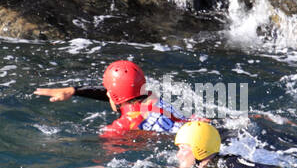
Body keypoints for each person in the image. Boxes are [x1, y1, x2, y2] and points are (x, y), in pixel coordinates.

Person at [35, 59, 186, 138]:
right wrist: (74, 91)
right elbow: (125, 94)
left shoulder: (122, 126)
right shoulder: (152, 98)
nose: (106, 94)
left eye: (108, 92)